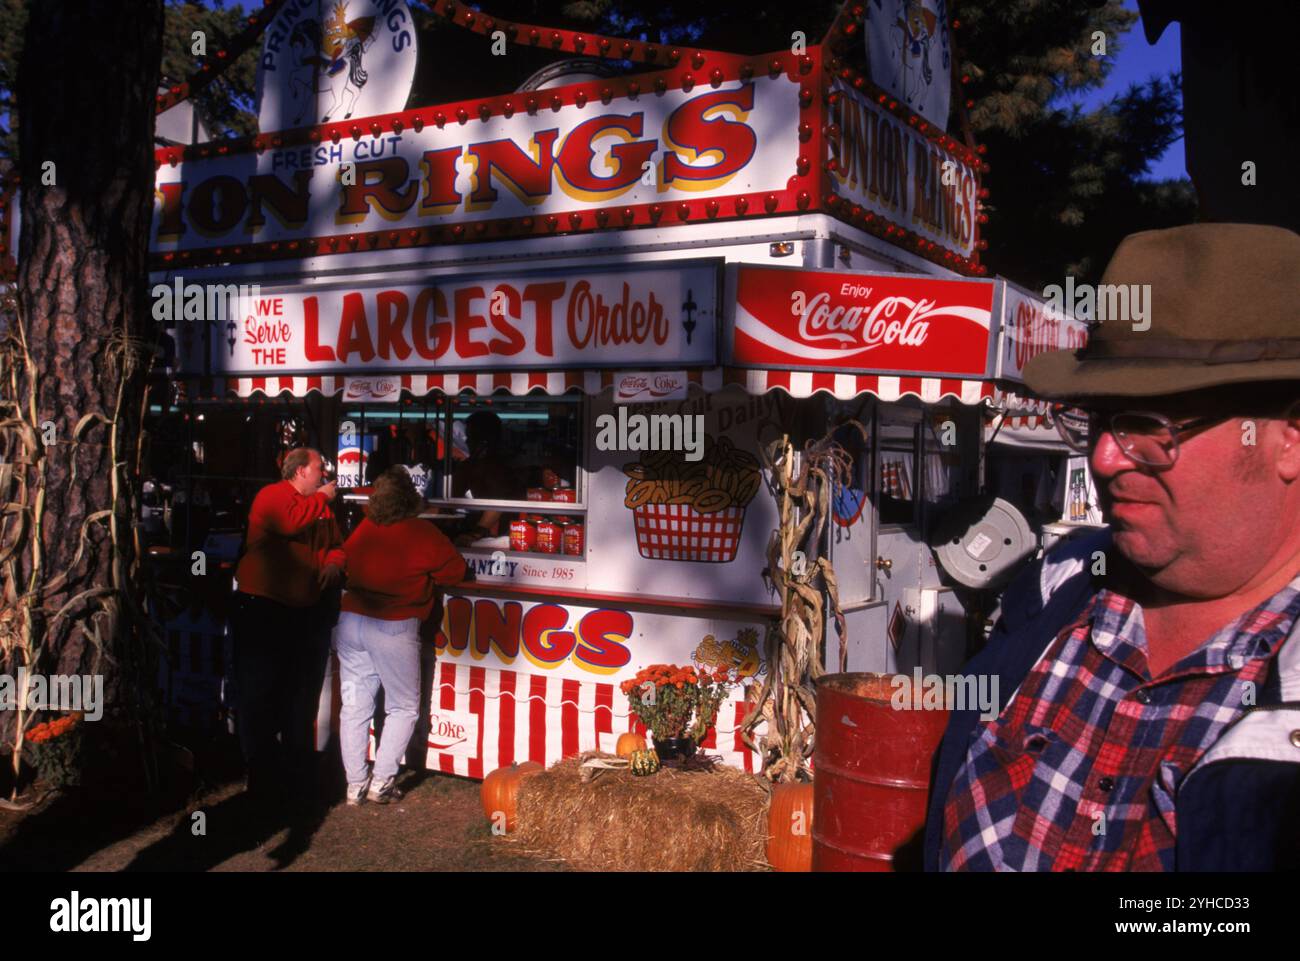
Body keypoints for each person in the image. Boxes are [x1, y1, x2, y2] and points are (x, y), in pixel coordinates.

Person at [924, 223, 1300, 871]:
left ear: (1288, 437)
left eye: (1149, 425)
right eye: (1098, 418)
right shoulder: (1052, 596)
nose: (1102, 457)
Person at [337, 467, 467, 804]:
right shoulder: (422, 531)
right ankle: (382, 782)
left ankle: (354, 785)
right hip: (393, 626)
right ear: (410, 498)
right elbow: (455, 570)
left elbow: (345, 562)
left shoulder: (367, 526)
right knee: (404, 706)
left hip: (351, 621)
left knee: (354, 706)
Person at [231, 447, 345, 805]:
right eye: (318, 469)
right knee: (260, 691)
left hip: (303, 608)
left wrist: (333, 561)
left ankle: (297, 772)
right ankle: (261, 774)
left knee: (300, 692)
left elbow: (336, 544)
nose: (324, 474)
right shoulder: (272, 496)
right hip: (263, 606)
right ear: (299, 472)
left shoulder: (320, 508)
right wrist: (324, 499)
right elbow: (291, 523)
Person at [451, 410, 523, 546]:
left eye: (472, 436)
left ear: (486, 440)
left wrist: (475, 534)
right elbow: (453, 494)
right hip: (484, 530)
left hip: (506, 534)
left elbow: (497, 504)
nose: (468, 441)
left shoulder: (498, 466)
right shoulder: (471, 465)